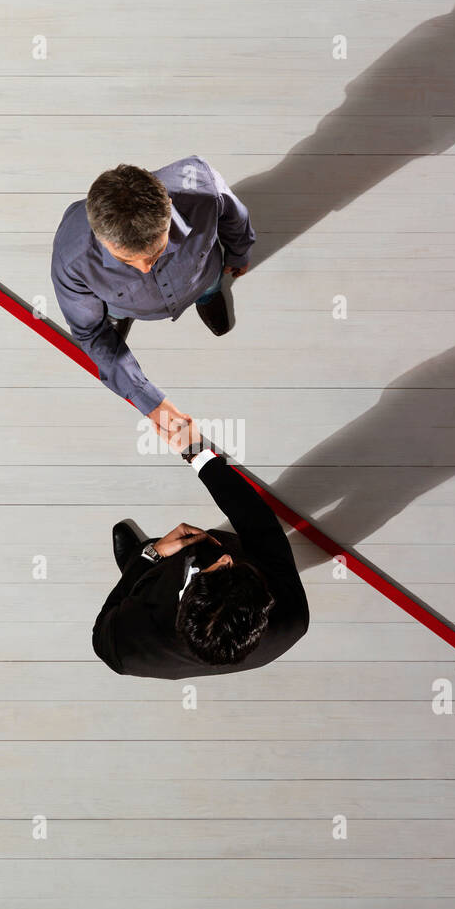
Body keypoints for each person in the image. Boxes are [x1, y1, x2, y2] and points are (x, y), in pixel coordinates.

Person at [50, 156, 255, 444]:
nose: (145, 269)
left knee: (209, 286)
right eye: (125, 261)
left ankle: (207, 297)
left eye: (157, 253)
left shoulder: (202, 187)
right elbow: (91, 332)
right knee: (109, 331)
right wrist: (150, 401)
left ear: (168, 209)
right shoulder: (71, 259)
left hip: (201, 278)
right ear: (99, 236)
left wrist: (239, 252)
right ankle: (120, 316)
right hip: (123, 305)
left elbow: (236, 217)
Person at [92, 424, 309, 679]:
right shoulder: (293, 615)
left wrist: (149, 555)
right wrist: (198, 455)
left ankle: (137, 558)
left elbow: (109, 614)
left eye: (221, 568)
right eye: (237, 569)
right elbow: (258, 523)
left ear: (183, 606)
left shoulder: (125, 648)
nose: (227, 558)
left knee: (139, 570)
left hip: (152, 575)